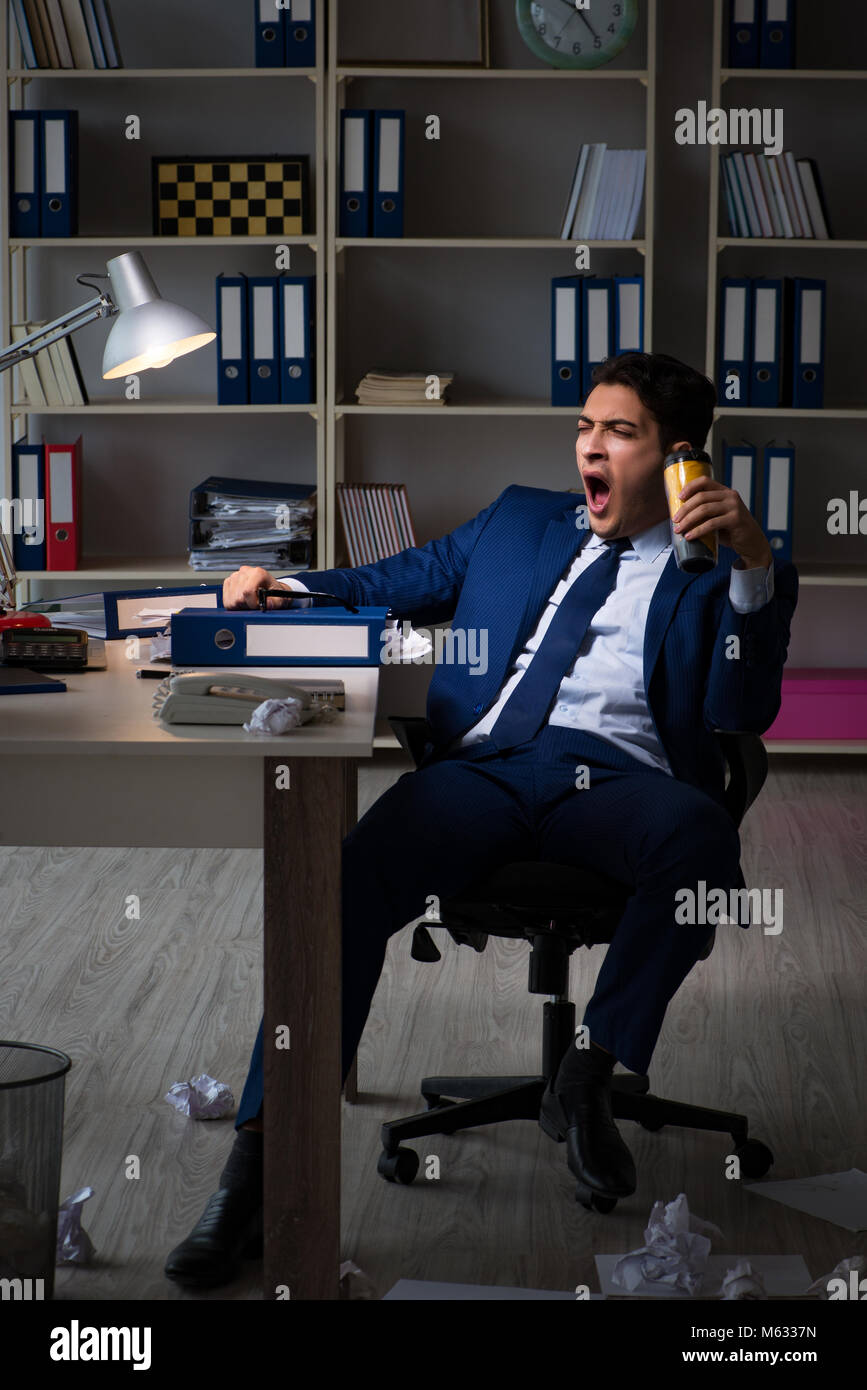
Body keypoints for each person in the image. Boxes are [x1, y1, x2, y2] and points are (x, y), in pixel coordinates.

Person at [164, 351, 798, 1288]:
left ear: (677, 459)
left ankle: (591, 1071)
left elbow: (741, 712)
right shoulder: (517, 518)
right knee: (342, 880)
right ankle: (258, 1167)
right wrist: (285, 587)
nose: (589, 446)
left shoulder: (716, 570)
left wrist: (754, 565)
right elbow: (400, 579)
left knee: (700, 841)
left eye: (617, 433)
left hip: (624, 781)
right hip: (490, 769)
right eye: (584, 426)